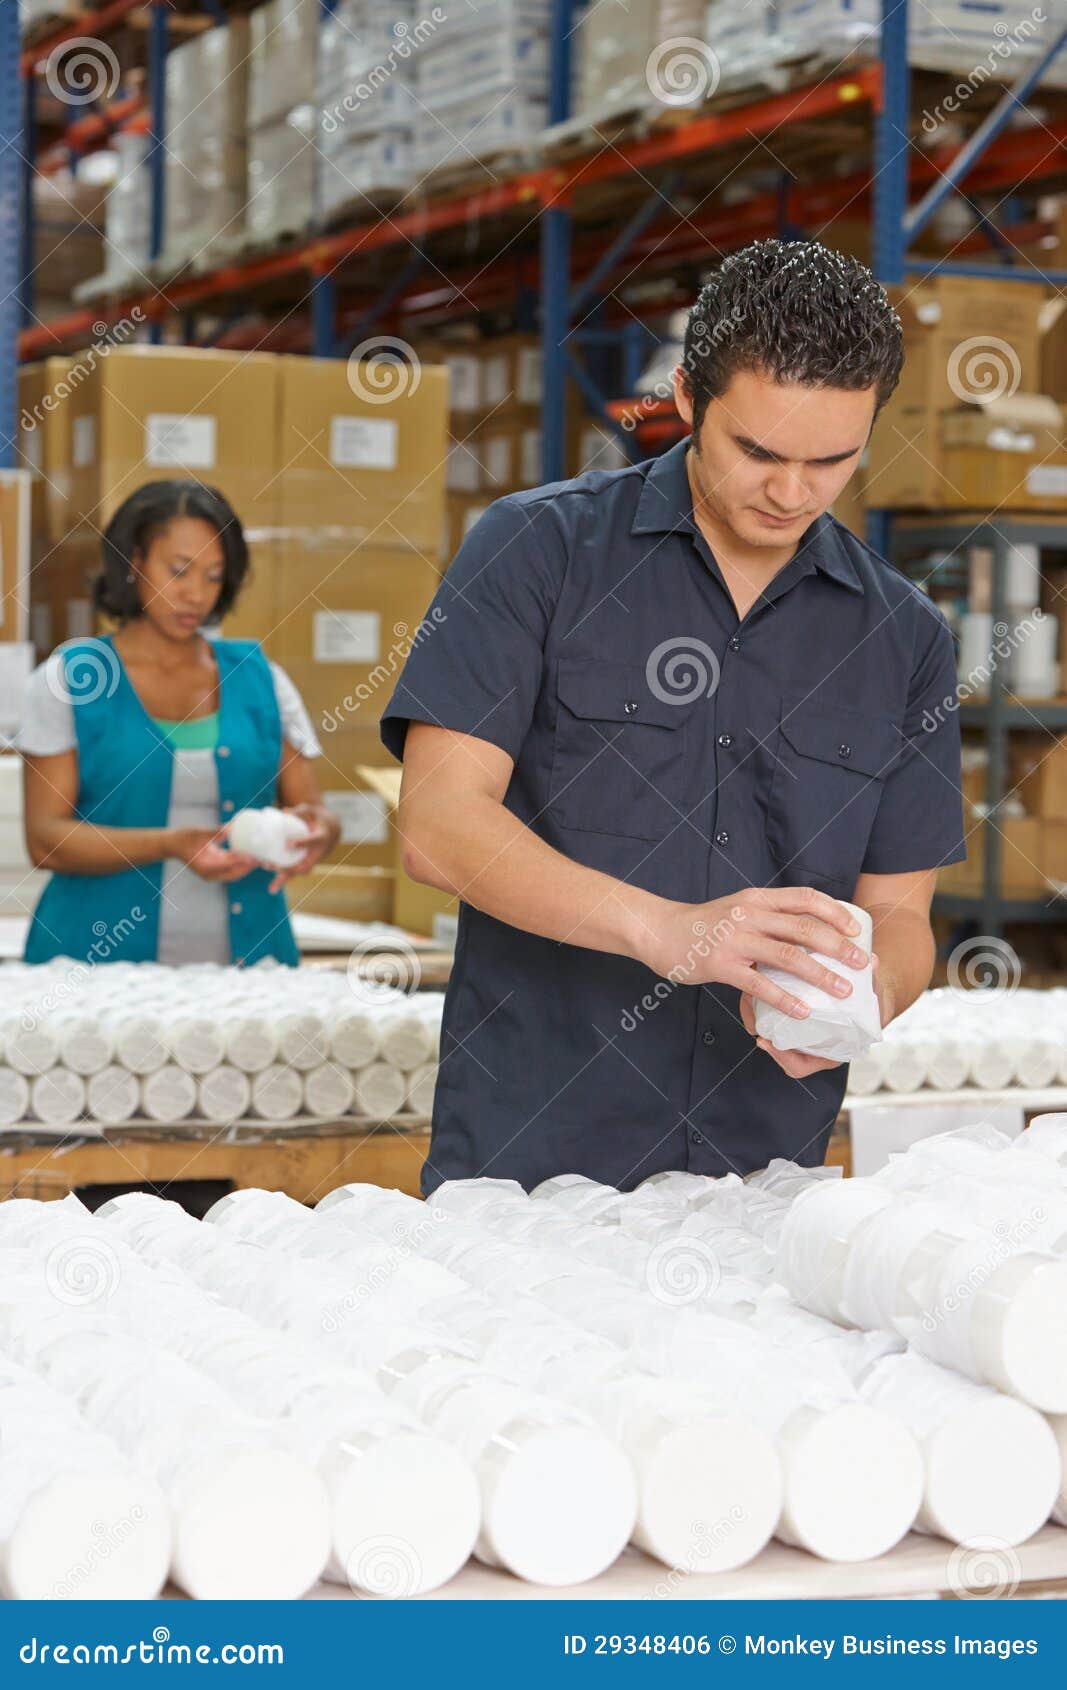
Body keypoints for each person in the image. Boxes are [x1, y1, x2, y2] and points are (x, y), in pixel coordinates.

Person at [381, 240, 966, 1195]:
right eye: (758, 451)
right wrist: (666, 931)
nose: (790, 492)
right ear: (687, 400)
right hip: (530, 1166)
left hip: (763, 1177)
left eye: (831, 461)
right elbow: (439, 828)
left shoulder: (902, 637)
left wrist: (863, 999)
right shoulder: (537, 552)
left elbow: (899, 912)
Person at [19, 479, 340, 967]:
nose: (196, 595)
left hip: (252, 972)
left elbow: (312, 809)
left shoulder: (262, 680)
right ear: (133, 562)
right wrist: (172, 843)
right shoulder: (72, 680)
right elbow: (46, 840)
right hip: (91, 968)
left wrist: (320, 831)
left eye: (213, 576)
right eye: (179, 571)